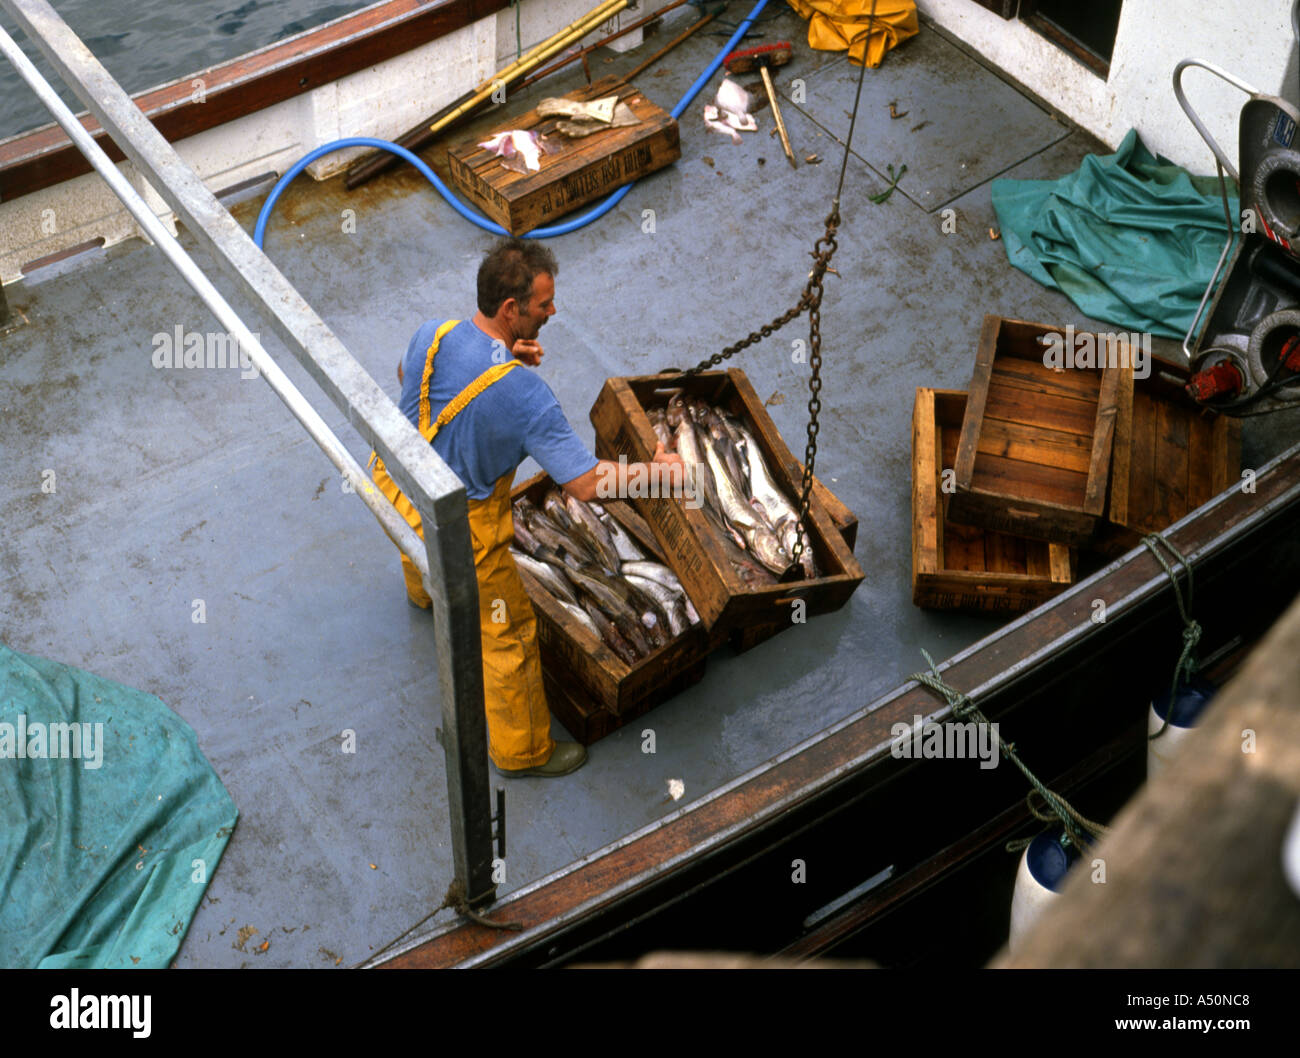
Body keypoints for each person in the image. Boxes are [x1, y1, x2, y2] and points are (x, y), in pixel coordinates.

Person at [370, 237, 683, 778]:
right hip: (457, 531)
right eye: (544, 304)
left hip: (393, 483)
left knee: (414, 538)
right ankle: (523, 753)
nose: (553, 312)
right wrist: (662, 473)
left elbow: (410, 379)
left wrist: (499, 359)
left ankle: (424, 594)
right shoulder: (529, 398)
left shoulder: (434, 332)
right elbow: (585, 485)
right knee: (508, 632)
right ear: (511, 309)